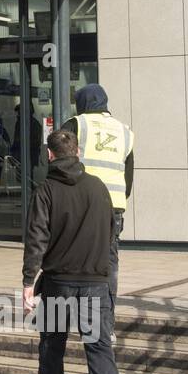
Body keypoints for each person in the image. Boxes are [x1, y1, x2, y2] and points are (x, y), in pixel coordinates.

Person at [22, 129, 123, 374]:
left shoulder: (46, 190)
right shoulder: (99, 188)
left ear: (50, 155)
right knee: (99, 346)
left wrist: (28, 281)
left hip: (58, 282)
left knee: (53, 343)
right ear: (77, 153)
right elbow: (110, 235)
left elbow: (36, 237)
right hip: (95, 282)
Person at [61, 84, 134, 318]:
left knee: (72, 257)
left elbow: (59, 159)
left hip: (81, 204)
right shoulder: (125, 131)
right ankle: (105, 321)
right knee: (109, 261)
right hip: (113, 206)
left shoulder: (77, 124)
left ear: (82, 103)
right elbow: (128, 175)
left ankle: (72, 315)